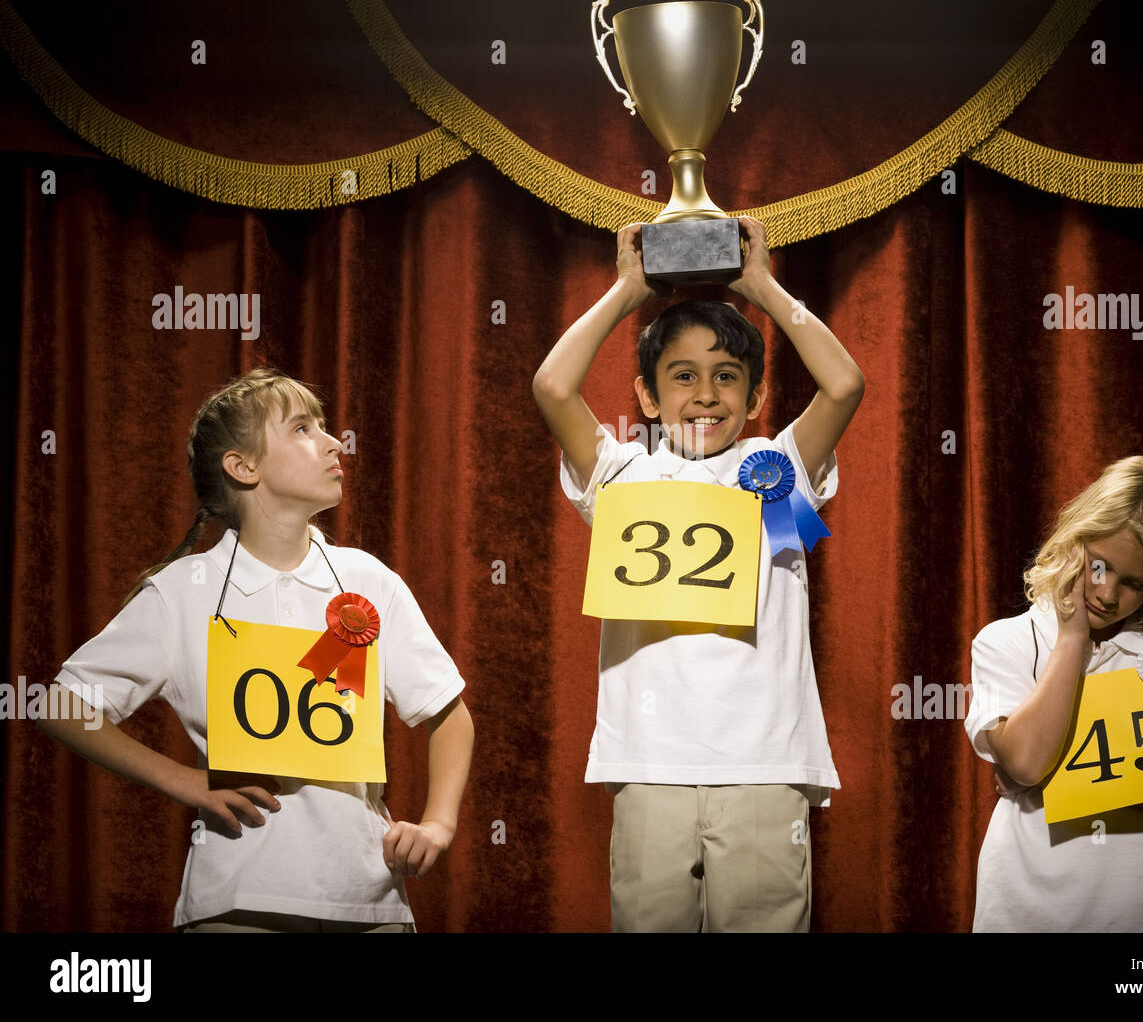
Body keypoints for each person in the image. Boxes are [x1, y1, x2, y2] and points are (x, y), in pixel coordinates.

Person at [38, 368, 473, 932]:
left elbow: (448, 712)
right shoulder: (183, 590)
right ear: (243, 467)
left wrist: (438, 825)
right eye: (301, 429)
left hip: (368, 900)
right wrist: (185, 780)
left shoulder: (368, 579)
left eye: (323, 426)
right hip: (238, 898)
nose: (333, 442)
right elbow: (61, 705)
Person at [533, 217, 865, 932]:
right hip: (649, 763)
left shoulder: (772, 472)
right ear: (648, 399)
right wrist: (626, 293)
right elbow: (553, 386)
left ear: (754, 398)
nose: (706, 394)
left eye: (727, 377)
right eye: (682, 377)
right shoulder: (625, 473)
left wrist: (762, 288)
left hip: (764, 762)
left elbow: (843, 384)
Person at [964, 456, 1143, 932]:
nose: (1107, 595)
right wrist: (1072, 639)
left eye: (1135, 583)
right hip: (1032, 902)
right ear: (1075, 541)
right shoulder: (1005, 640)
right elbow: (1027, 762)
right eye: (1099, 566)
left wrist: (1046, 773)